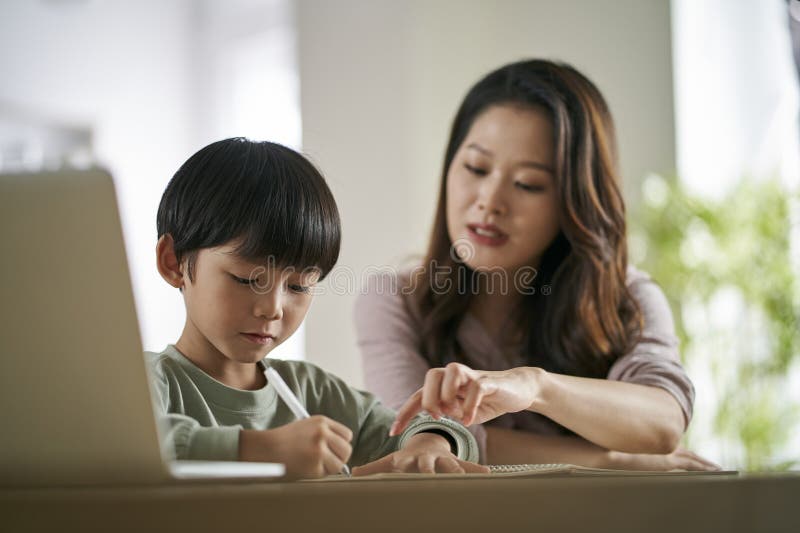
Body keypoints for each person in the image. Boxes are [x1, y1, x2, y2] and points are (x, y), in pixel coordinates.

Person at [355, 59, 719, 471]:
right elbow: (421, 439)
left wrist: (535, 387)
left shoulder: (628, 298)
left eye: (528, 183)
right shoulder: (396, 298)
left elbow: (663, 422)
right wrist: (615, 460)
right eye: (476, 168)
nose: (490, 200)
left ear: (573, 201)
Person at [148, 137, 485, 480]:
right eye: (246, 279)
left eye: (298, 286)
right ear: (173, 263)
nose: (272, 309)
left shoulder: (313, 391)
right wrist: (261, 451)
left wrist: (429, 445)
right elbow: (122, 451)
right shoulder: (146, 382)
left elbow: (419, 430)